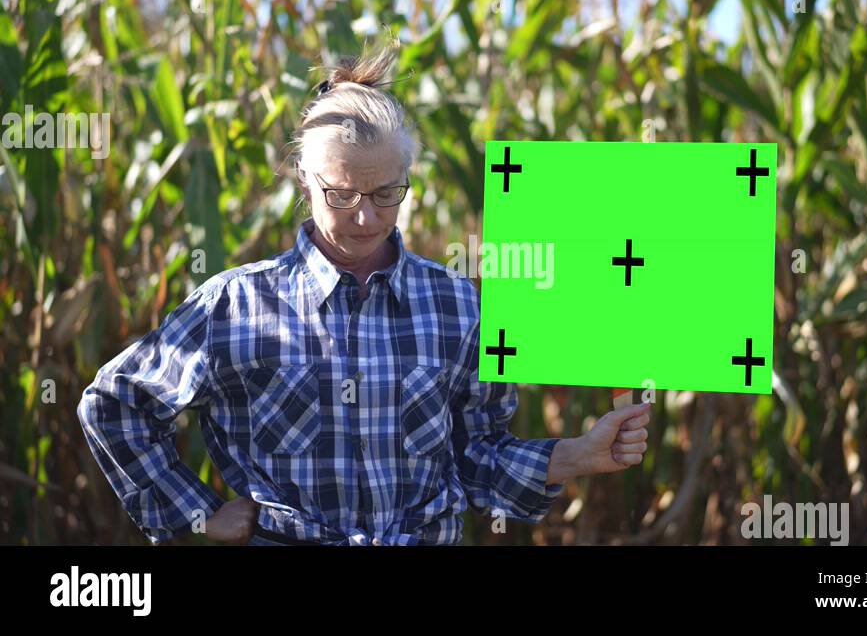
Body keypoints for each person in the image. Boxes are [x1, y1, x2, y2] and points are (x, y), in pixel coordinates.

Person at [77, 42, 650, 546]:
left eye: (386, 193)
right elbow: (113, 403)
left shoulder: (458, 306)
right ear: (304, 177)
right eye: (341, 193)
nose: (365, 216)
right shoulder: (236, 306)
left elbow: (477, 463)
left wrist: (578, 454)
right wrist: (199, 514)